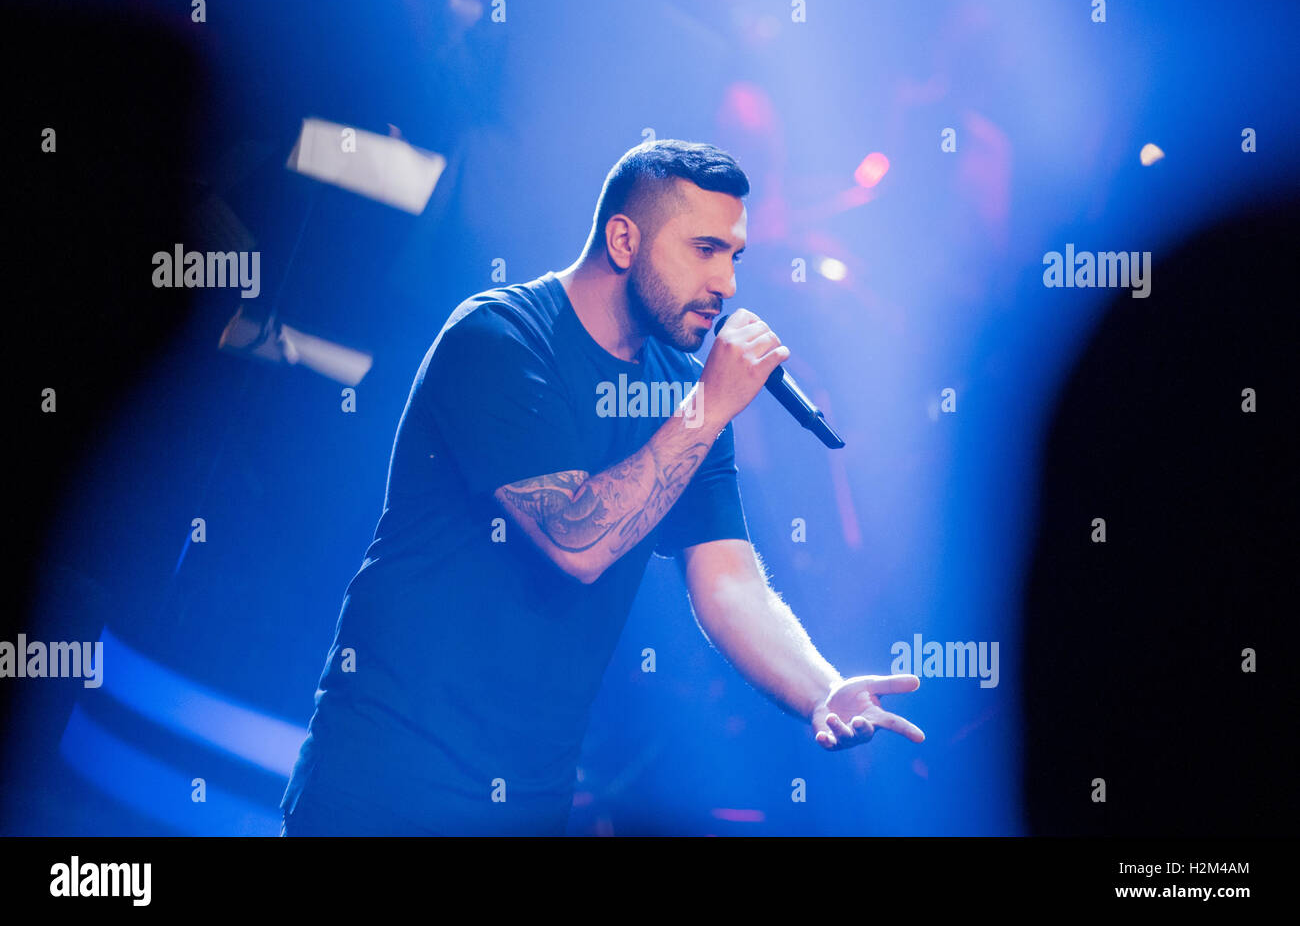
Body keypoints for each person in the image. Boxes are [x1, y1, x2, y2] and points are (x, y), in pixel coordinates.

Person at [279, 139, 925, 836]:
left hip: (525, 801)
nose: (727, 284)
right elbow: (573, 537)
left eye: (734, 256)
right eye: (704, 249)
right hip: (385, 781)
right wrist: (708, 407)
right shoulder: (499, 338)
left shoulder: (684, 390)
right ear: (624, 238)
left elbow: (732, 585)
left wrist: (821, 689)